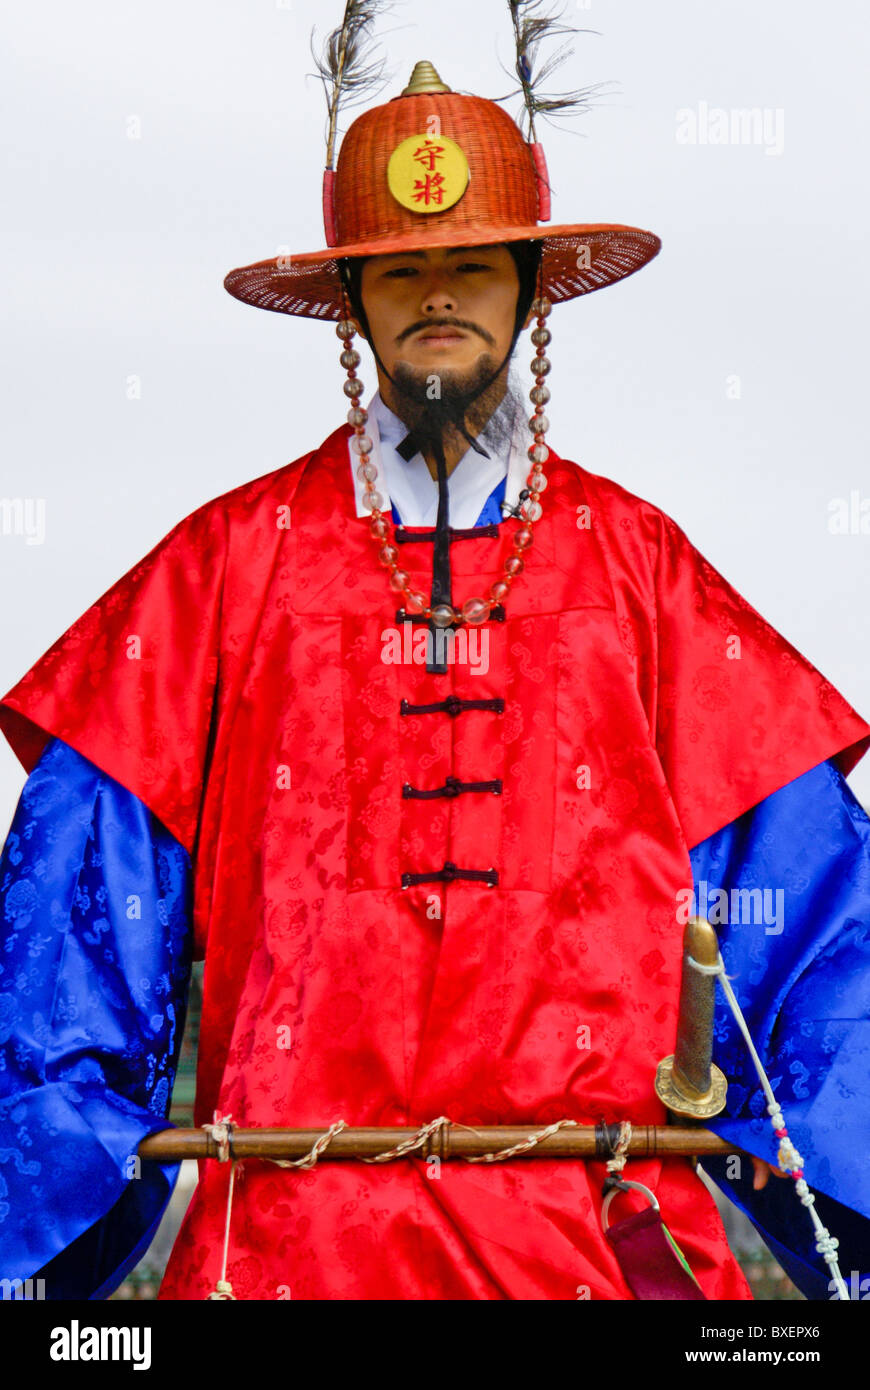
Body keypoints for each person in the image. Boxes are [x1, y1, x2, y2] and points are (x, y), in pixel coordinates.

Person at [1, 57, 869, 1302]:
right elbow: (71, 944)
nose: (437, 296)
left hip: (600, 1242)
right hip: (285, 1247)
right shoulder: (225, 570)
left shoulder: (641, 571)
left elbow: (818, 939)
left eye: (471, 264)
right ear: (352, 300)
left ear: (529, 293)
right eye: (401, 269)